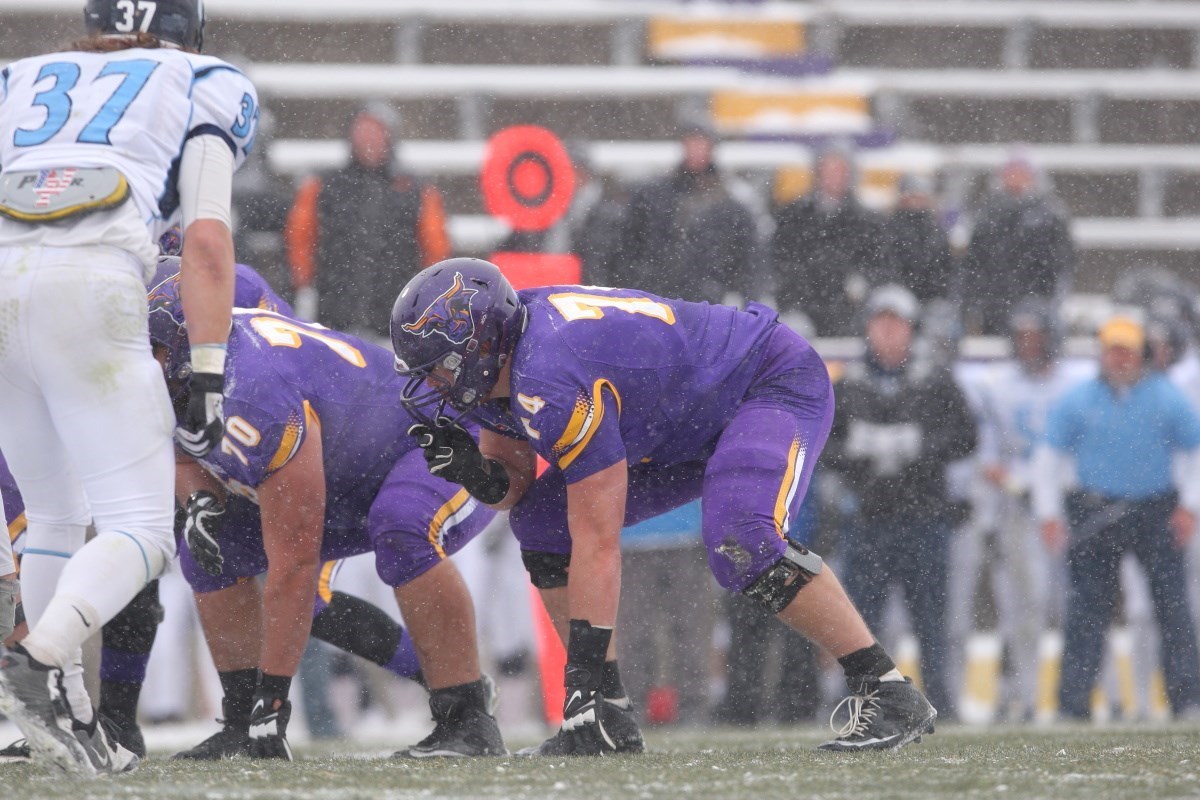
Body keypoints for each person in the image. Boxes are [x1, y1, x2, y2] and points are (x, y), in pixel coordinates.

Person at [390, 258, 937, 756]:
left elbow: (598, 539)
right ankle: (609, 716)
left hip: (762, 382)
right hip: (678, 422)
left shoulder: (550, 375)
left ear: (481, 346)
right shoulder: (508, 366)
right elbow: (512, 485)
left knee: (742, 540)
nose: (431, 384)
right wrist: (473, 472)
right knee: (539, 521)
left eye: (438, 366)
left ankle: (886, 689)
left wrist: (575, 680)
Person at [0, 0, 255, 777]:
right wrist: (208, 368)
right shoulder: (200, 78)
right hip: (95, 283)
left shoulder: (21, 75)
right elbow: (207, 239)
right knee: (142, 530)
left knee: (52, 514)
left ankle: (62, 709)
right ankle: (38, 657)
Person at [148, 275, 505, 759]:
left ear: (186, 345)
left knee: (401, 529)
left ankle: (467, 716)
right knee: (209, 549)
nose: (135, 361)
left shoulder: (254, 396)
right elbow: (183, 449)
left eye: (149, 347)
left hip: (431, 443)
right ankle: (237, 721)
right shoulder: (176, 376)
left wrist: (272, 710)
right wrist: (199, 502)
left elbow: (294, 564)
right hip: (339, 469)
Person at [1033, 316, 1200, 719]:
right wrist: (1049, 514)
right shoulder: (1079, 399)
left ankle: (1187, 700)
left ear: (1142, 353)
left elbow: (1195, 451)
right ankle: (1073, 705)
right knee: (1086, 612)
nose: (1119, 358)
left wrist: (1189, 507)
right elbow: (1048, 458)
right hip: (1095, 512)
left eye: (1126, 350)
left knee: (1172, 609)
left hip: (1154, 511)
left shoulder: (1167, 396)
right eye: (1112, 350)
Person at [824, 285, 977, 718]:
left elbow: (966, 437)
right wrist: (859, 451)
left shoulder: (936, 380)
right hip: (868, 519)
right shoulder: (849, 385)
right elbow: (822, 447)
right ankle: (859, 704)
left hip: (924, 517)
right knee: (860, 622)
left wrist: (920, 446)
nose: (889, 333)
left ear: (911, 330)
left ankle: (941, 704)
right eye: (881, 322)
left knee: (931, 620)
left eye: (897, 324)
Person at [951, 299, 1091, 721]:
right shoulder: (999, 385)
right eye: (1022, 337)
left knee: (1072, 606)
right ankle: (1020, 694)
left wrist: (1051, 481)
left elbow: (1085, 444)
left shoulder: (1075, 383)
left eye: (1037, 336)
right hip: (1016, 509)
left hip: (1070, 506)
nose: (1029, 345)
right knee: (1021, 608)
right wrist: (1015, 482)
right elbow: (987, 454)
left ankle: (1075, 697)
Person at [284, 101, 450, 340]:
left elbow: (436, 250)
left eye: (376, 132)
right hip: (334, 316)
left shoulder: (416, 189)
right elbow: (299, 239)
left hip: (396, 318)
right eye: (362, 132)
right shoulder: (324, 186)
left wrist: (426, 296)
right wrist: (304, 284)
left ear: (391, 137)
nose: (368, 140)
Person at [617, 120, 767, 306]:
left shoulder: (732, 205)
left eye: (701, 144)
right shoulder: (653, 196)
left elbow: (748, 259)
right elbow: (628, 246)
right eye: (691, 143)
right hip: (658, 297)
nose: (695, 150)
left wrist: (744, 297)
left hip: (708, 300)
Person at [770, 141, 889, 337]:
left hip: (849, 314)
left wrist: (860, 286)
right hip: (803, 311)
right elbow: (780, 263)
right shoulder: (793, 216)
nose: (834, 176)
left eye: (840, 169)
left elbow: (878, 265)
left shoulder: (868, 221)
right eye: (828, 169)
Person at [960, 152, 1074, 336]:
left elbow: (1061, 264)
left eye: (1021, 172)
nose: (1015, 178)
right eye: (1011, 173)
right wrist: (974, 303)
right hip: (994, 306)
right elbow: (974, 263)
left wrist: (1048, 302)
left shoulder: (1050, 215)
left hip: (1036, 308)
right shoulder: (987, 213)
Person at [881, 174, 955, 304]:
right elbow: (885, 267)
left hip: (931, 302)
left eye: (919, 197)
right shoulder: (887, 229)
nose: (915, 202)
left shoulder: (937, 231)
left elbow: (946, 270)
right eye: (911, 197)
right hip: (896, 302)